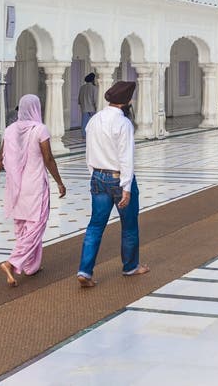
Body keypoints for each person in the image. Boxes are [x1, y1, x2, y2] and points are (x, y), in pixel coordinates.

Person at [0, 94, 66, 286]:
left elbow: (0, 159)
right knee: (36, 226)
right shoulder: (40, 129)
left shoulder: (10, 130)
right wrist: (59, 182)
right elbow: (48, 159)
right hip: (35, 185)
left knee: (22, 227)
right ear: (37, 108)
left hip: (16, 186)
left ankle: (31, 266)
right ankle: (12, 262)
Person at [77, 81, 149, 287]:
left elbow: (89, 151)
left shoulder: (95, 120)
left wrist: (94, 173)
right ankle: (130, 267)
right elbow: (126, 157)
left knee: (95, 225)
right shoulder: (123, 123)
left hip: (98, 176)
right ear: (126, 101)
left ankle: (85, 270)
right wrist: (126, 187)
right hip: (118, 178)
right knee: (129, 225)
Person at [78, 72, 97, 137]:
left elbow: (79, 99)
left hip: (84, 108)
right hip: (92, 108)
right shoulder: (94, 88)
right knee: (93, 122)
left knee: (84, 122)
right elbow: (95, 100)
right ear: (92, 80)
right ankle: (92, 135)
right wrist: (96, 107)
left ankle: (84, 135)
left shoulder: (82, 87)